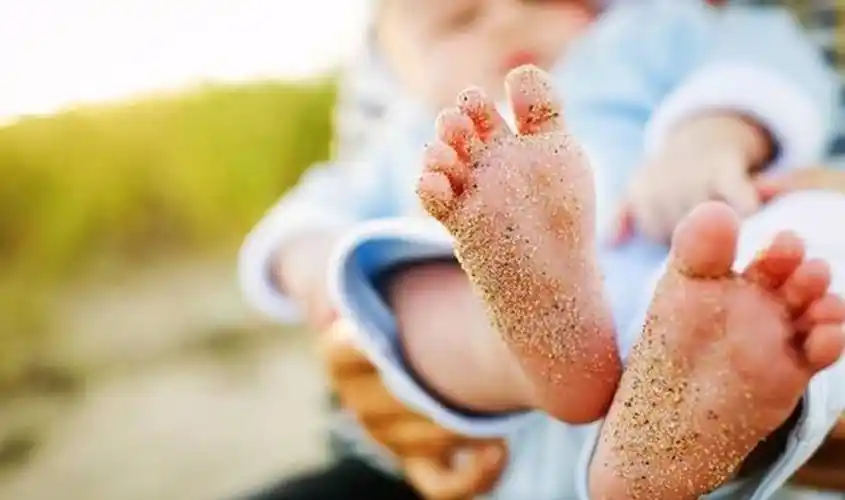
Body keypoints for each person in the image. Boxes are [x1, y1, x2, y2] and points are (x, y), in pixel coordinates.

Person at [240, 0, 840, 498]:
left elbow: (763, 58)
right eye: (459, 19)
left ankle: (683, 426)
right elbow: (305, 218)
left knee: (806, 228)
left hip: (684, 276)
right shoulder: (406, 135)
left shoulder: (643, 38)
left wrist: (709, 136)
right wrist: (315, 267)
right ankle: (539, 342)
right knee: (399, 273)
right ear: (394, 68)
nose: (507, 18)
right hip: (500, 416)